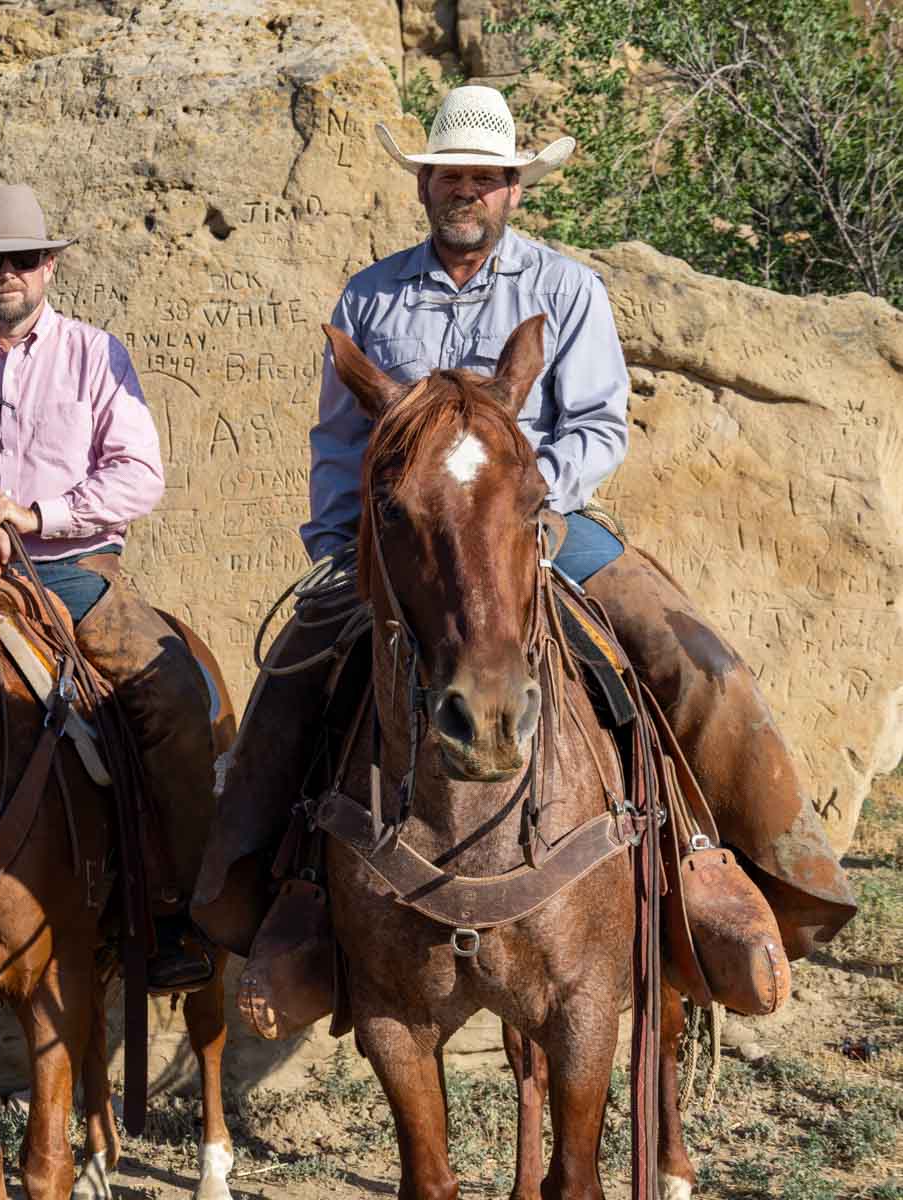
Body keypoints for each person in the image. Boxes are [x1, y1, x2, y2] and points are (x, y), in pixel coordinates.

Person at [192, 87, 855, 978]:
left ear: (513, 190)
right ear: (424, 186)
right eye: (450, 175)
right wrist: (339, 550)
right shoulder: (370, 299)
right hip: (410, 547)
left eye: (487, 177)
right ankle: (265, 900)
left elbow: (596, 427)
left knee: (688, 656)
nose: (467, 189)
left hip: (540, 526)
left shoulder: (565, 288)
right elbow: (339, 442)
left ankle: (743, 878)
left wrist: (523, 504)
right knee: (292, 677)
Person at [0, 183, 218, 990]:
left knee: (169, 694)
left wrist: (38, 515)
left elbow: (137, 477)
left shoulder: (95, 355)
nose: (8, 273)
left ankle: (177, 910)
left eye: (23, 259)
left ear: (50, 266)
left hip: (70, 570)